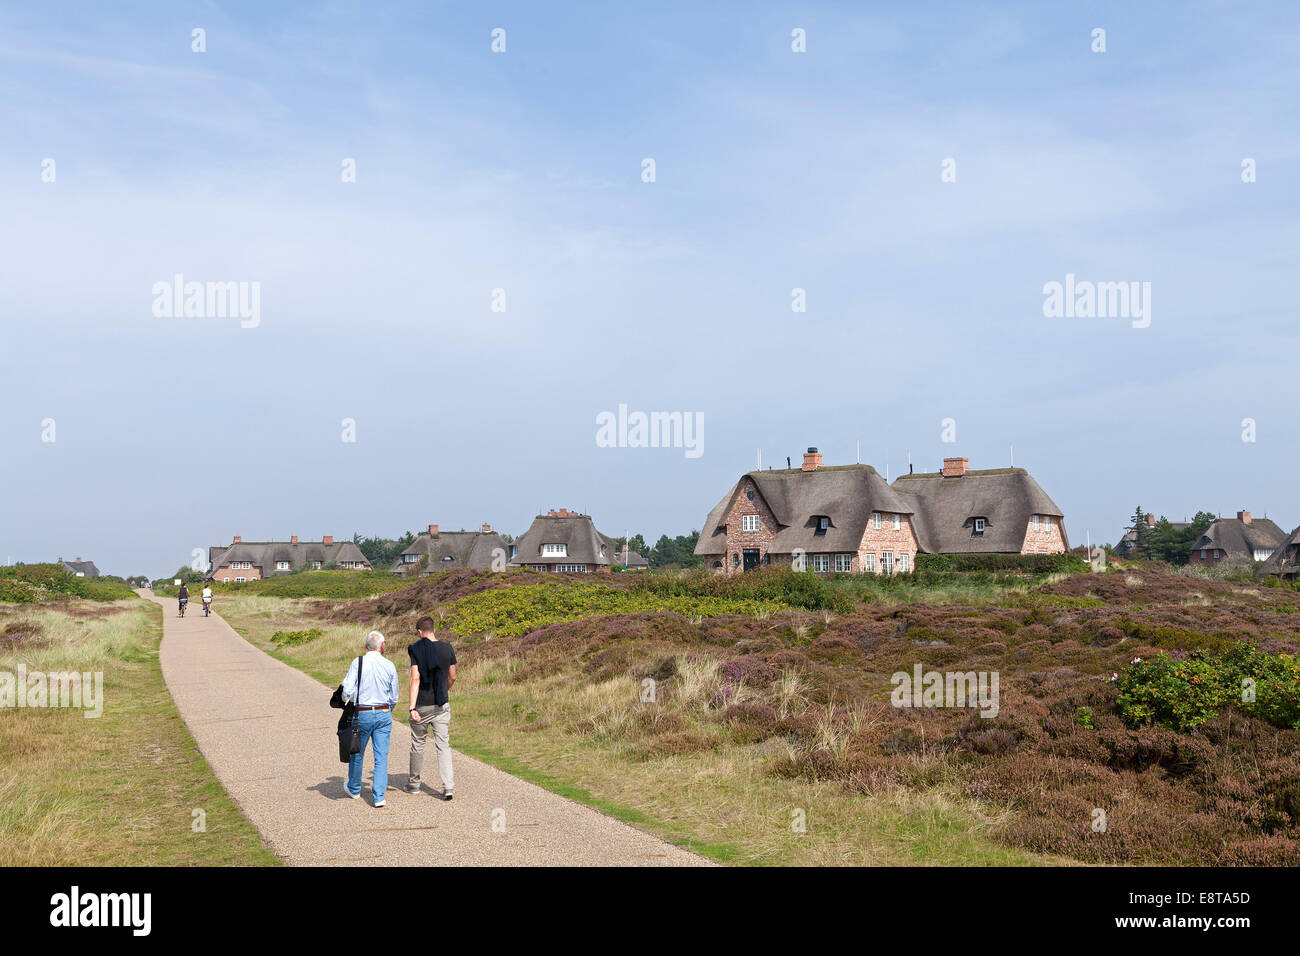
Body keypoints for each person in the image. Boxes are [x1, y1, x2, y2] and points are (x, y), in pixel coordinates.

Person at [340, 630, 400, 807]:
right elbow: (394, 695)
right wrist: (388, 710)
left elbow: (347, 690)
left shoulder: (357, 662)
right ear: (382, 646)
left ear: (366, 646)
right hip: (383, 713)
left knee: (357, 751)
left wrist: (345, 701)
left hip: (362, 713)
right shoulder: (389, 665)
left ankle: (355, 787)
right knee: (381, 756)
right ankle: (379, 796)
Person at [404, 615, 456, 800]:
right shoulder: (447, 648)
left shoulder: (416, 649)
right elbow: (452, 677)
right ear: (434, 629)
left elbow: (415, 678)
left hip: (422, 705)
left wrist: (412, 707)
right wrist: (444, 690)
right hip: (441, 705)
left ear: (420, 632)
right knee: (443, 745)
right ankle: (448, 787)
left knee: (418, 743)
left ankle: (414, 784)